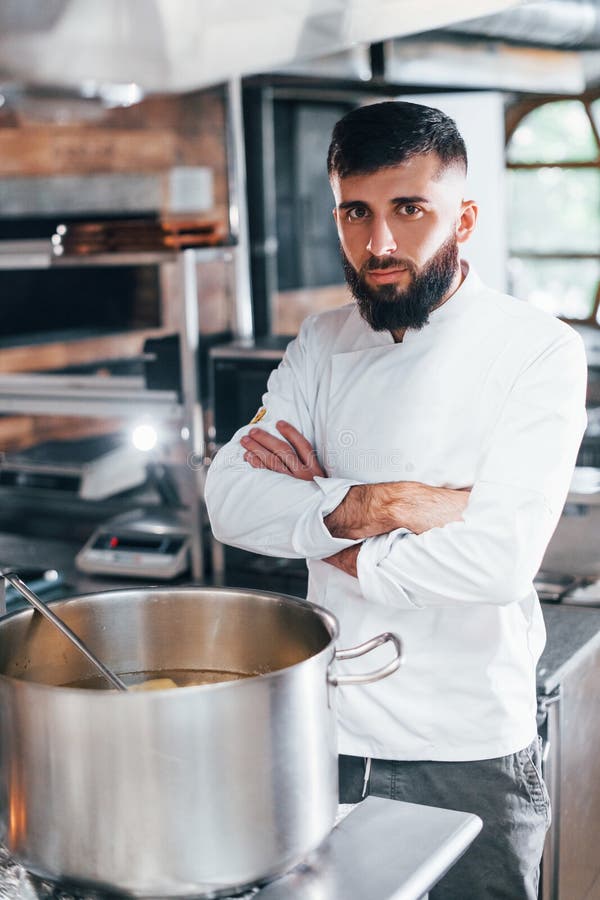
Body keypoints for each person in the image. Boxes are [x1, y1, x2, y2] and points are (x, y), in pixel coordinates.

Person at [205, 101, 587, 899]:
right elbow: (231, 502)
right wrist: (392, 502)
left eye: (409, 209)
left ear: (466, 217)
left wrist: (317, 516)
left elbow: (494, 563)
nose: (379, 244)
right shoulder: (321, 341)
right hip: (325, 743)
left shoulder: (537, 349)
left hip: (467, 754)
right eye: (357, 212)